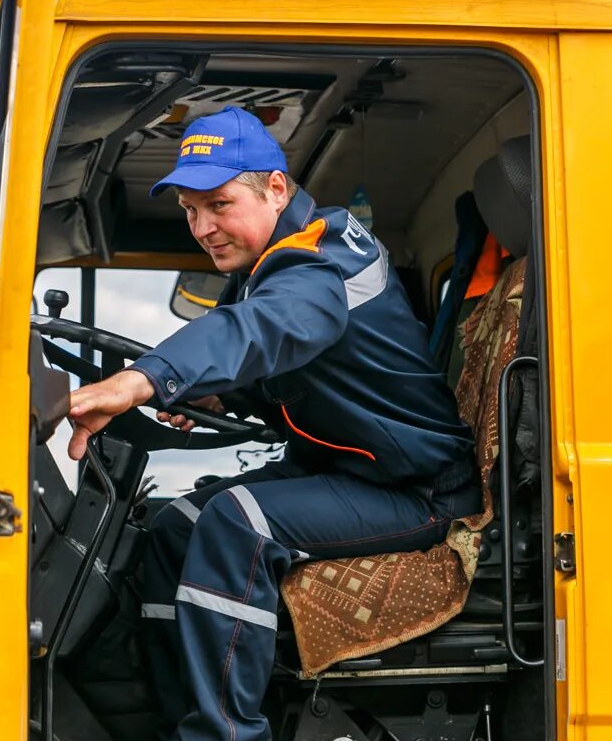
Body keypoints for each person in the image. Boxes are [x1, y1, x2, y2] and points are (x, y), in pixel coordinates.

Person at [67, 106, 480, 741]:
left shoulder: (319, 261)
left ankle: (226, 735)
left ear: (276, 188)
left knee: (239, 522)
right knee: (175, 527)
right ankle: (173, 720)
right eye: (189, 210)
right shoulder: (275, 264)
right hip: (349, 468)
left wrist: (144, 378)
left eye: (218, 204)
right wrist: (220, 399)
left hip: (415, 489)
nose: (202, 227)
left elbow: (266, 329)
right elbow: (300, 378)